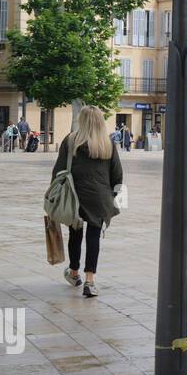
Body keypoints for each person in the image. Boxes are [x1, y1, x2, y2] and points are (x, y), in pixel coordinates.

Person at [51, 105, 123, 299]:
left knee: (75, 234)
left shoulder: (71, 141)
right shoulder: (107, 143)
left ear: (81, 121)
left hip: (75, 196)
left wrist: (54, 196)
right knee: (94, 237)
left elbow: (58, 171)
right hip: (100, 198)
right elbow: (117, 175)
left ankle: (74, 273)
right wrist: (113, 197)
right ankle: (90, 281)